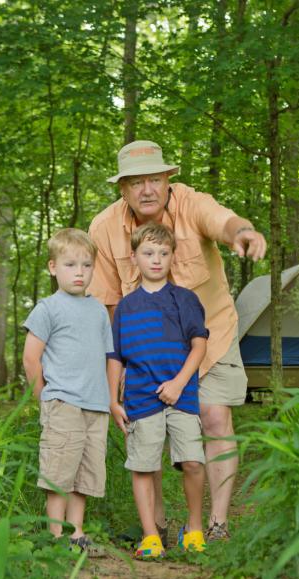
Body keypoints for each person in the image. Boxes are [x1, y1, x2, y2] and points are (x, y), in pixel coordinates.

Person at [89, 139, 266, 542]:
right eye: (136, 182)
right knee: (145, 428)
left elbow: (223, 221)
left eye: (154, 178)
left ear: (169, 179)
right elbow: (112, 304)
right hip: (147, 351)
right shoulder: (103, 229)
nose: (146, 189)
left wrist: (244, 232)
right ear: (123, 189)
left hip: (211, 334)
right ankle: (158, 527)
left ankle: (216, 523)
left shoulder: (190, 203)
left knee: (215, 416)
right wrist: (119, 372)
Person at [108, 223, 209, 558]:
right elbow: (116, 358)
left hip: (183, 397)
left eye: (163, 253)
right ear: (134, 257)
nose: (156, 260)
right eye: (148, 253)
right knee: (144, 466)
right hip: (140, 400)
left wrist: (179, 383)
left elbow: (198, 346)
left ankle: (193, 529)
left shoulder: (185, 300)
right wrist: (113, 400)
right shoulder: (125, 307)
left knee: (193, 461)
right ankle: (151, 536)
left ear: (172, 257)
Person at [22, 228, 113, 555]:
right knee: (60, 472)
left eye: (86, 265)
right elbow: (31, 358)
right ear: (52, 267)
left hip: (95, 405)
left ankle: (77, 534)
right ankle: (55, 536)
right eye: (70, 264)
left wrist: (109, 398)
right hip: (63, 403)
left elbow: (106, 357)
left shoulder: (99, 310)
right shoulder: (48, 308)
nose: (79, 272)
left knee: (85, 474)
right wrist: (44, 397)